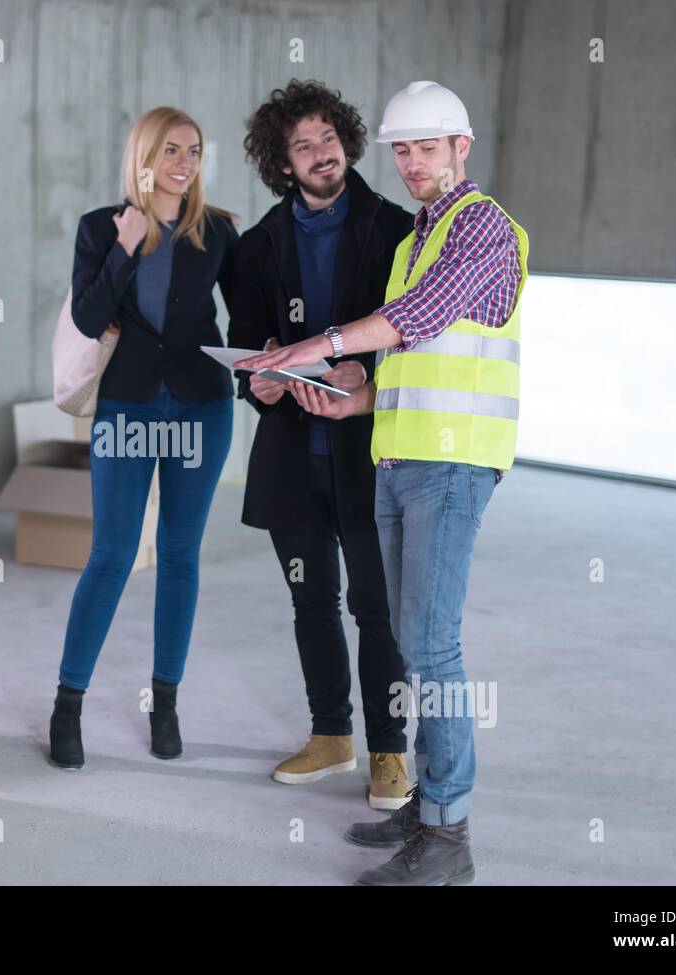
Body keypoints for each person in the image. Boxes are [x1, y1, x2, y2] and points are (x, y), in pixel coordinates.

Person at [237, 80, 529, 886]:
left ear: (461, 147)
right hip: (395, 458)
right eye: (402, 149)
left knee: (433, 647)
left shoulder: (483, 230)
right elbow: (401, 362)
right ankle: (425, 806)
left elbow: (415, 318)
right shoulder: (412, 242)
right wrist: (345, 396)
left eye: (426, 147)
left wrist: (312, 346)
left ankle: (450, 838)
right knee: (409, 640)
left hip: (451, 461)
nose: (411, 164)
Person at [227, 79, 414, 809]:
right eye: (301, 144)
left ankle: (390, 751)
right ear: (282, 162)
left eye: (326, 137)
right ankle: (332, 734)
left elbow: (413, 336)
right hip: (291, 460)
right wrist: (260, 384)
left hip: (369, 454)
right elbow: (248, 347)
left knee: (378, 607)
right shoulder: (255, 248)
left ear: (346, 142)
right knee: (312, 601)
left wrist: (360, 369)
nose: (318, 152)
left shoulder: (397, 229)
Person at [48, 106, 239, 770]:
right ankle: (67, 707)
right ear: (145, 156)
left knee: (181, 555)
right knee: (112, 554)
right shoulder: (102, 227)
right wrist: (127, 246)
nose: (186, 162)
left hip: (201, 407)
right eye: (172, 149)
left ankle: (165, 704)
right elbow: (88, 314)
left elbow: (249, 313)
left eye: (194, 150)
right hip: (127, 406)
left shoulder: (217, 231)